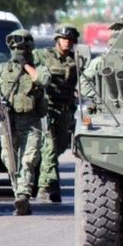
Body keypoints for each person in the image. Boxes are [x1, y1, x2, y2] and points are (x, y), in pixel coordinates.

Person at [0, 29, 50, 215]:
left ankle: (23, 195)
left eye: (21, 47)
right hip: (7, 122)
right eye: (14, 48)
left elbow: (44, 80)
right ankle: (18, 197)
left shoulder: (39, 67)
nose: (17, 51)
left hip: (30, 122)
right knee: (10, 160)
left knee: (28, 160)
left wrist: (26, 66)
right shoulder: (3, 69)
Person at [32, 25, 79, 203]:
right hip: (47, 110)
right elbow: (26, 65)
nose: (66, 41)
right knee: (49, 148)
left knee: (59, 148)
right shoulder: (43, 56)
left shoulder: (76, 60)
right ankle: (48, 187)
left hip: (66, 111)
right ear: (57, 40)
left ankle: (47, 182)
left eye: (70, 39)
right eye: (63, 38)